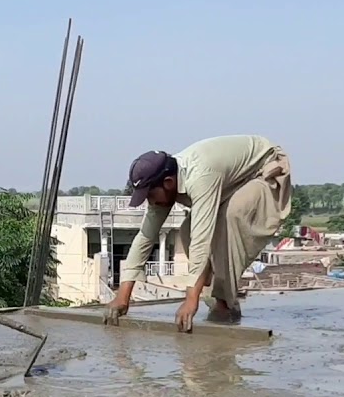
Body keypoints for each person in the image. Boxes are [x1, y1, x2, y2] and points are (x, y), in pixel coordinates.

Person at [105, 135, 292, 331]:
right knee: (187, 230)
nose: (150, 202)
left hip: (265, 170)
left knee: (230, 219)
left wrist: (190, 300)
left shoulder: (201, 176)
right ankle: (215, 291)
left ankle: (225, 304)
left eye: (150, 195)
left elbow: (202, 241)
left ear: (168, 182)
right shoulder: (166, 182)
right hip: (233, 182)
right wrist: (123, 297)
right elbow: (145, 237)